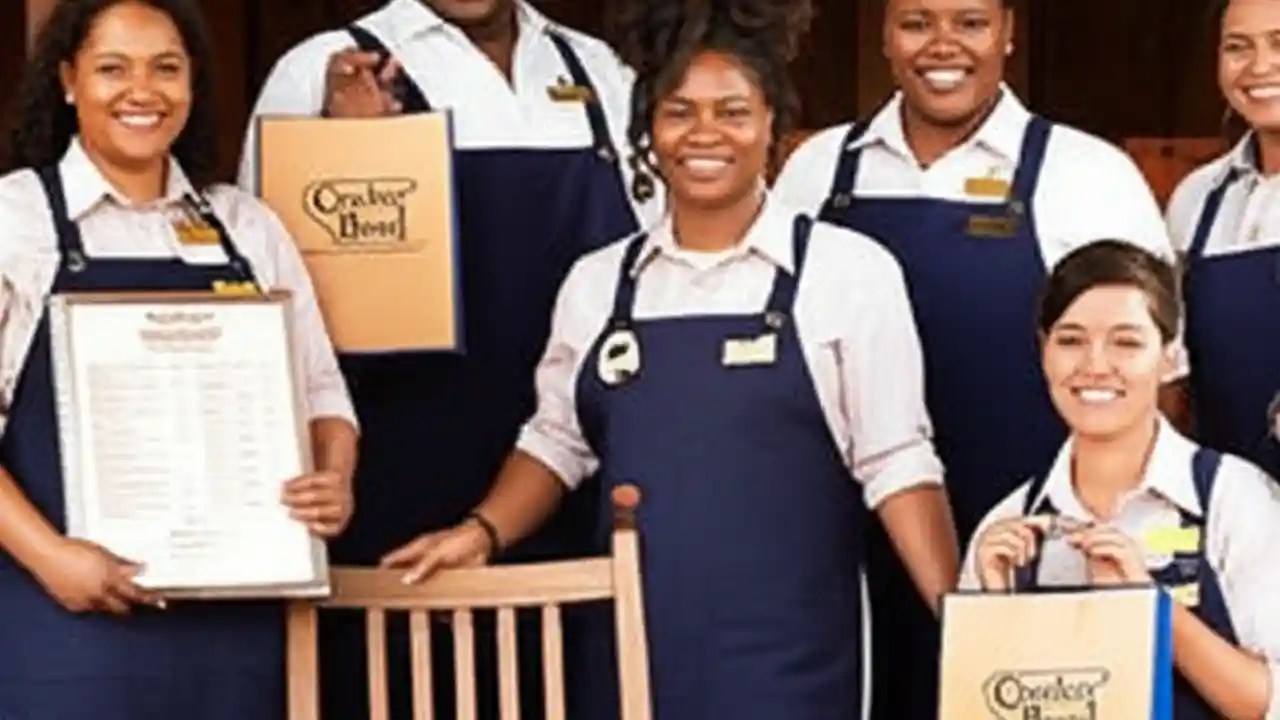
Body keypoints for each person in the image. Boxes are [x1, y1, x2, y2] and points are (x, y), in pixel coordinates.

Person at [381, 0, 960, 717]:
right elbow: (557, 442)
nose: (705, 134)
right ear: (647, 131)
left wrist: (966, 624)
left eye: (734, 111)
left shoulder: (845, 273)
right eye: (679, 112)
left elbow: (897, 462)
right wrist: (482, 531)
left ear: (773, 123)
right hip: (627, 652)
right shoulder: (600, 283)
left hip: (793, 659)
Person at [238, 1, 653, 716]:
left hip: (571, 485)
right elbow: (267, 307)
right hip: (391, 512)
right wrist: (349, 156)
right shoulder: (319, 70)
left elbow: (651, 274)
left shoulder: (599, 71)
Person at [771, 0, 1176, 716]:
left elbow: (1163, 387)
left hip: (1037, 557)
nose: (943, 45)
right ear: (886, 38)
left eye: (970, 21)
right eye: (918, 22)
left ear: (1010, 33)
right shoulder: (816, 172)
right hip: (847, 555)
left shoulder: (1089, 173)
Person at [0, 1, 358, 718]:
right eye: (112, 68)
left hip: (236, 623)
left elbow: (322, 390)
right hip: (62, 618)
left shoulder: (246, 225)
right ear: (68, 79)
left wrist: (335, 478)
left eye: (167, 68)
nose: (143, 90)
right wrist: (52, 558)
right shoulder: (15, 221)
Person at [962, 240, 1280, 720]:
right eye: (1070, 340)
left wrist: (1151, 612)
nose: (1095, 364)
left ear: (1170, 356)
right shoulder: (1007, 527)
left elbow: (1269, 702)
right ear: (1043, 350)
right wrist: (996, 614)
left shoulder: (1235, 500)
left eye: (1127, 342)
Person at [1166, 0, 1280, 482]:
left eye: (1279, 43)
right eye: (1238, 47)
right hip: (1231, 509)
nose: (1259, 66)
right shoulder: (1198, 198)